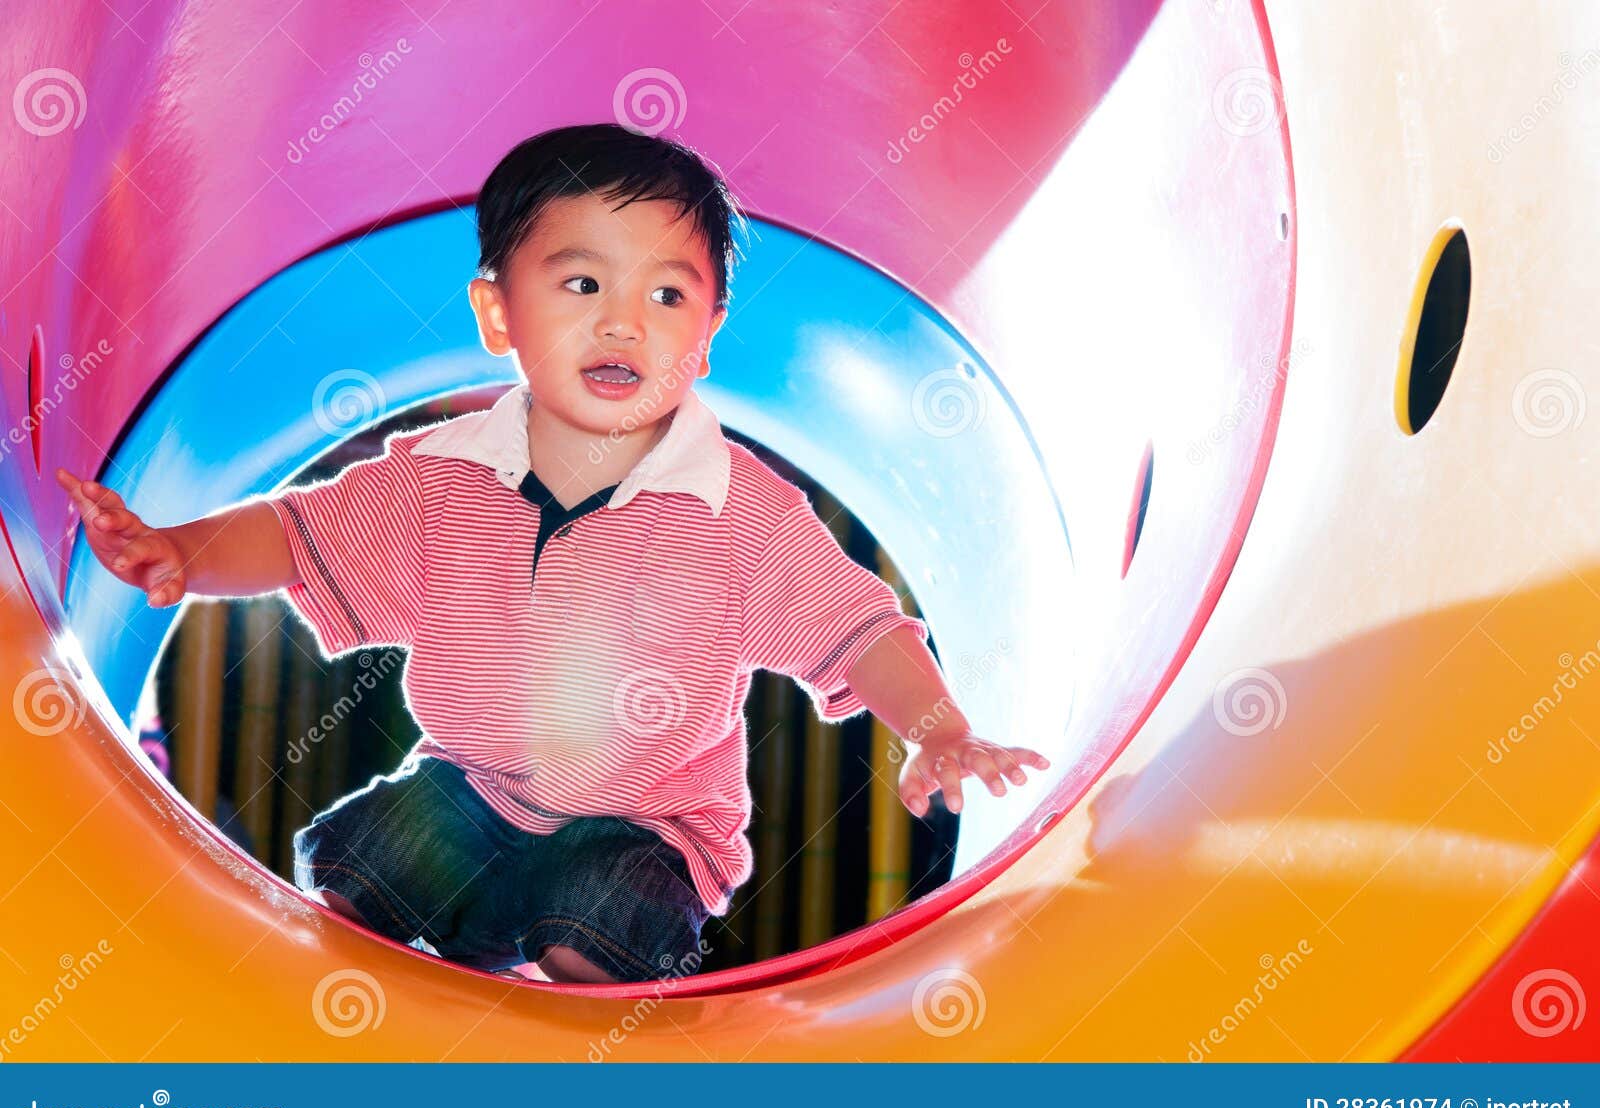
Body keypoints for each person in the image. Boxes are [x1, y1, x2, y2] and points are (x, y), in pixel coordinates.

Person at [55, 123, 1050, 985]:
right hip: (469, 791)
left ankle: (571, 1036)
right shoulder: (441, 477)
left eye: (667, 295)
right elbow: (292, 533)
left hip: (647, 830)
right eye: (582, 282)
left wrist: (937, 723)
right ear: (497, 315)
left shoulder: (739, 510)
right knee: (360, 869)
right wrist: (177, 549)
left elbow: (858, 626)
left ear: (706, 338)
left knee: (599, 920)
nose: (623, 319)